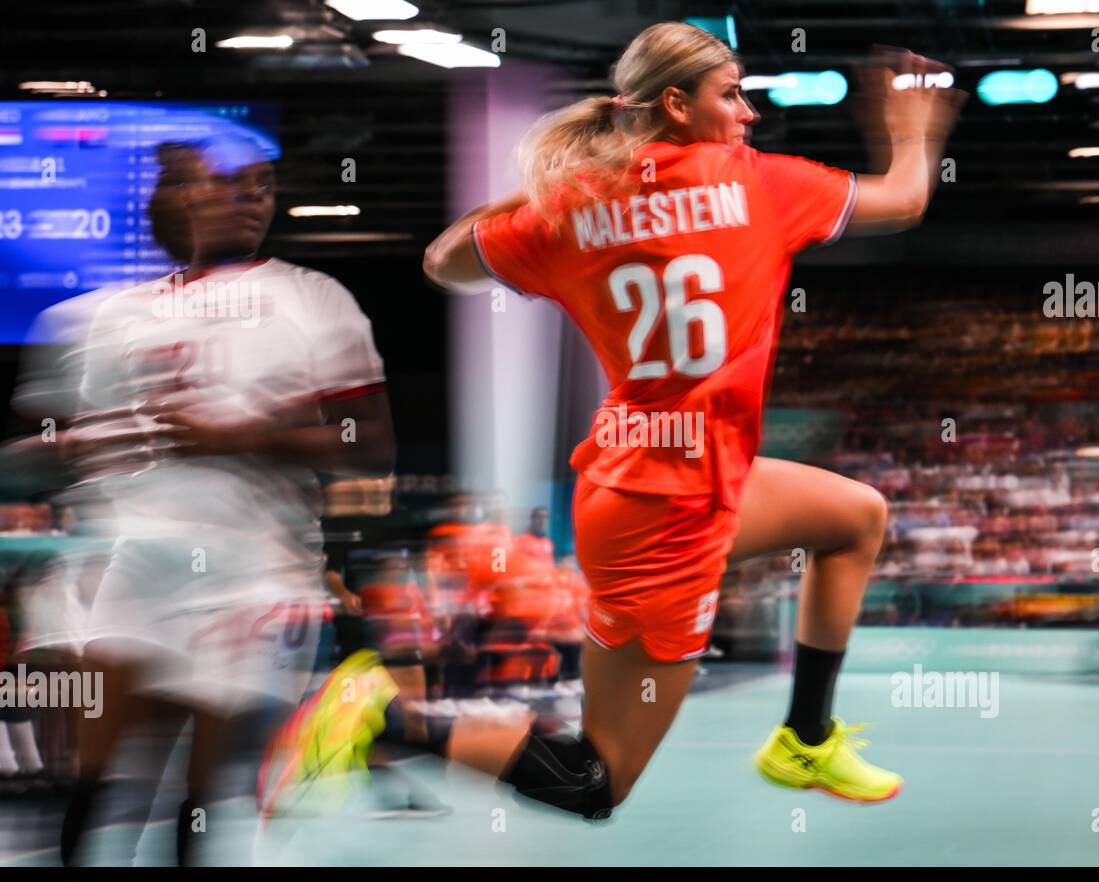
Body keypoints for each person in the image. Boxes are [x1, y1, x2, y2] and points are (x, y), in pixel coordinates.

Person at [263, 22, 963, 822]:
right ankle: (385, 717)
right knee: (597, 780)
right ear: (674, 101)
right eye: (731, 94)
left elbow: (442, 261)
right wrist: (915, 130)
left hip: (646, 480)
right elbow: (905, 198)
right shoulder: (760, 184)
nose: (748, 114)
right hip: (672, 518)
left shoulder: (574, 208)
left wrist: (557, 189)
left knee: (853, 517)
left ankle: (807, 735)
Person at [58, 135, 395, 863]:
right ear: (178, 193)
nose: (253, 196)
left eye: (265, 184)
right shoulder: (113, 318)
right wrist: (64, 455)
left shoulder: (312, 300)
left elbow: (368, 440)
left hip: (250, 574)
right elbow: (86, 441)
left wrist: (247, 436)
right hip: (138, 563)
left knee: (202, 798)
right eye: (229, 181)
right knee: (99, 780)